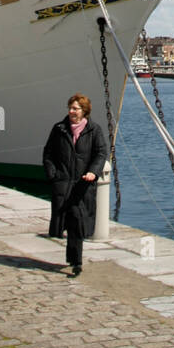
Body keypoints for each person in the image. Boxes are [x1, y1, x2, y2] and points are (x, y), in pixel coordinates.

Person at [42, 94, 107, 277]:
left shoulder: (94, 130)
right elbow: (48, 153)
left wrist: (93, 172)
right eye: (70, 108)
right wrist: (52, 175)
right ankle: (72, 259)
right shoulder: (59, 129)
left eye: (75, 108)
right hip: (63, 184)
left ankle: (76, 262)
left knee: (77, 222)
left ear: (84, 111)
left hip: (82, 185)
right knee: (68, 222)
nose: (71, 111)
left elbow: (101, 153)